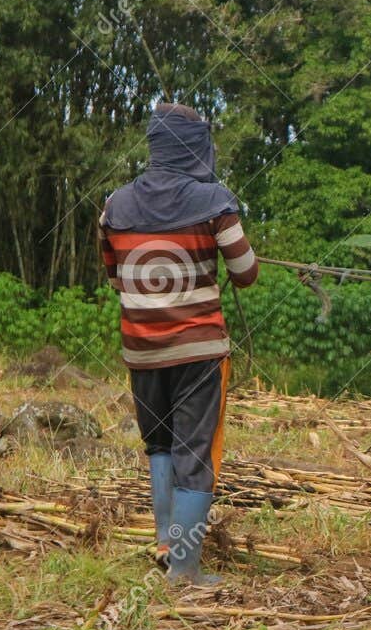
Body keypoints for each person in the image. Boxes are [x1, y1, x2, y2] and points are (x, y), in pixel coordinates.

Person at [99, 102, 258, 585]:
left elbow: (114, 277)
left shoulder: (114, 206)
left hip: (142, 352)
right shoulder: (216, 201)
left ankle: (167, 544)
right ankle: (185, 572)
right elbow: (246, 274)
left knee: (161, 446)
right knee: (196, 453)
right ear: (196, 146)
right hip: (198, 353)